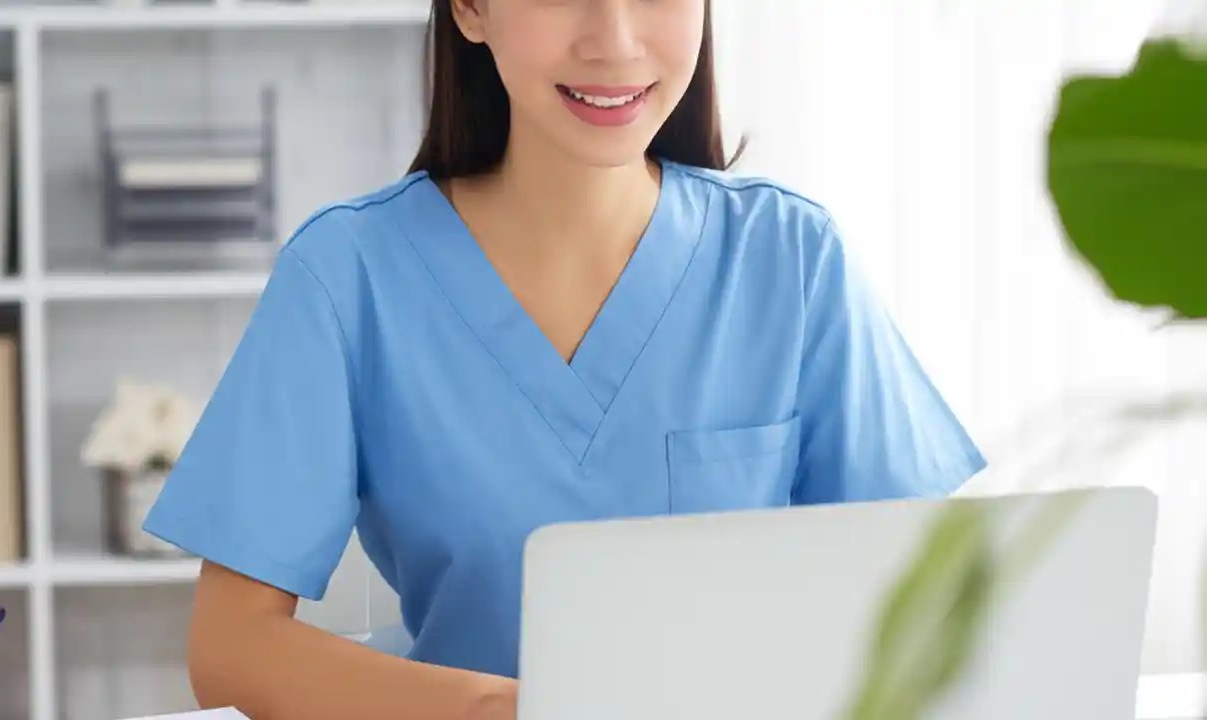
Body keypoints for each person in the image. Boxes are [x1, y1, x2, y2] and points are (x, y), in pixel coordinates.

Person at [142, 0, 987, 717]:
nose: (614, 40)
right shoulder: (348, 274)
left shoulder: (791, 258)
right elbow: (232, 647)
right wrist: (498, 709)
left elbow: (927, 600)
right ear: (469, 7)